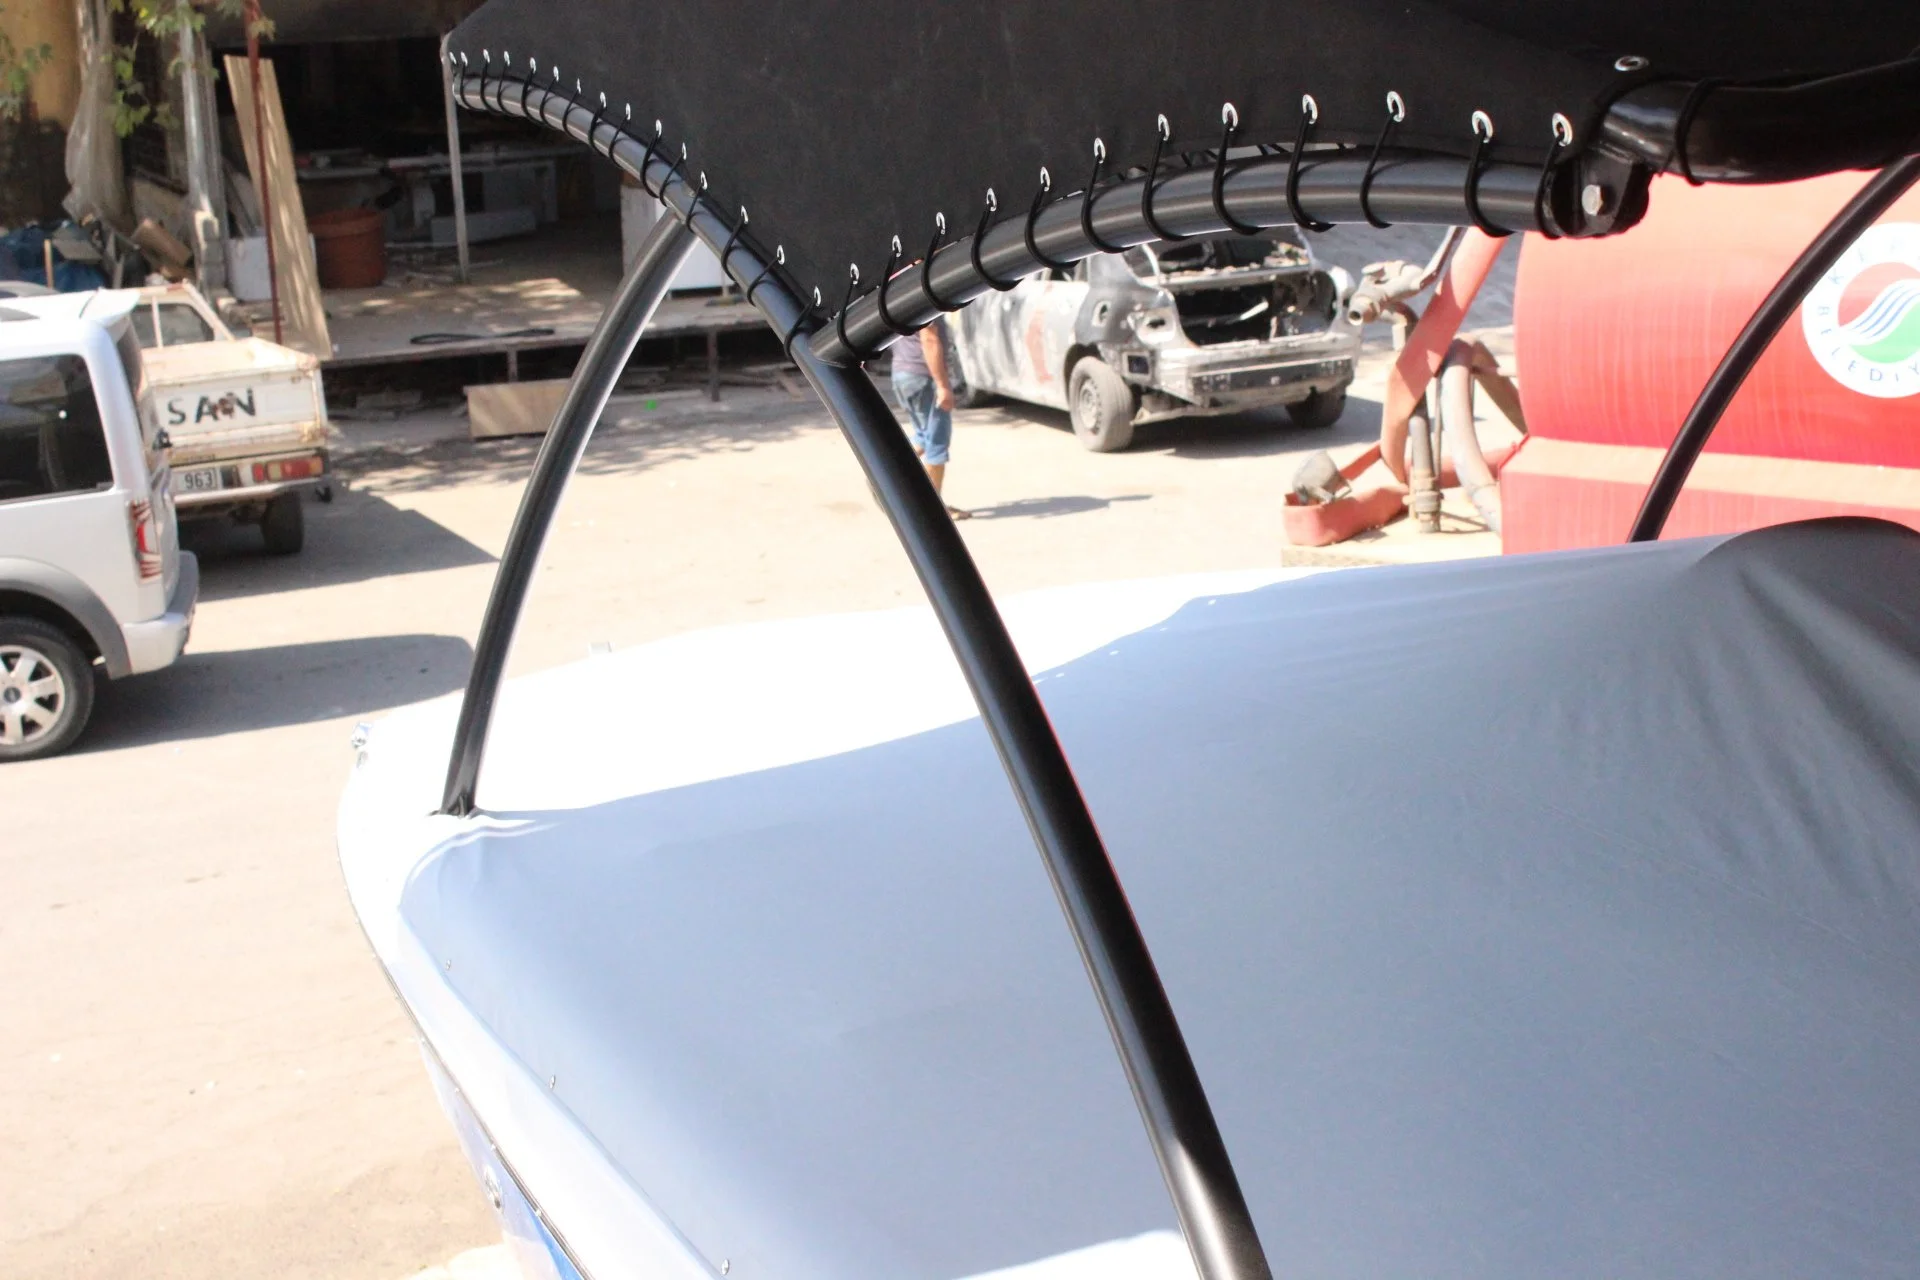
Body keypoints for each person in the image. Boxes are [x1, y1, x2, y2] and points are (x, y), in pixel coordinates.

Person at [890, 318, 969, 518]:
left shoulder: (900, 291)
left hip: (903, 373)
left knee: (922, 437)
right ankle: (934, 511)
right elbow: (930, 339)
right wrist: (943, 385)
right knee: (936, 444)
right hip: (923, 378)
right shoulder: (924, 298)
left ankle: (884, 468)